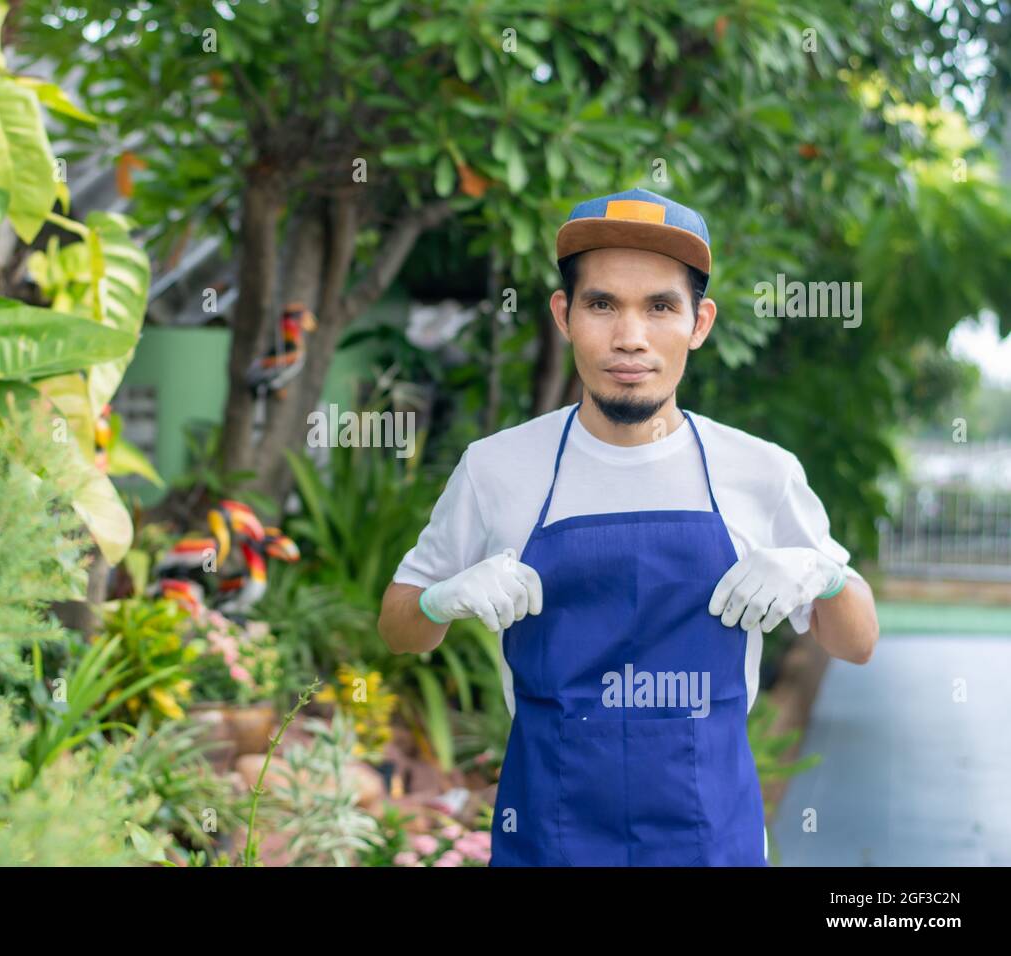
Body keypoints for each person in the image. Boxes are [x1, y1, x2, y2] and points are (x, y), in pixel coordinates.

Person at [377, 187, 880, 867]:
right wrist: (441, 599)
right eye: (602, 303)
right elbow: (399, 626)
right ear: (565, 314)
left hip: (712, 844)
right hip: (548, 843)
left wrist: (823, 575)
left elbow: (856, 641)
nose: (630, 337)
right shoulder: (497, 469)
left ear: (699, 323)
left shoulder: (760, 471)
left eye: (660, 307)